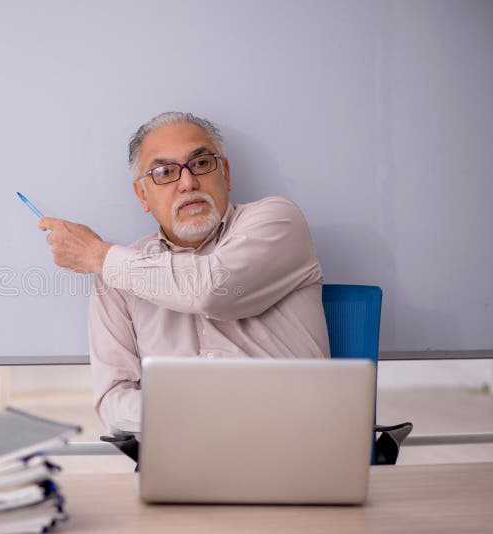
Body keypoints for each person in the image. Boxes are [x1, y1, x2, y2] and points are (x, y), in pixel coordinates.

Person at [38, 112, 329, 437]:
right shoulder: (114, 275)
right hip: (182, 455)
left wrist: (97, 255)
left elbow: (211, 290)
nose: (188, 182)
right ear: (142, 195)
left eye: (202, 164)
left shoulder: (278, 220)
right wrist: (188, 416)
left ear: (226, 174)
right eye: (165, 172)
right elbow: (112, 401)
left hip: (292, 445)